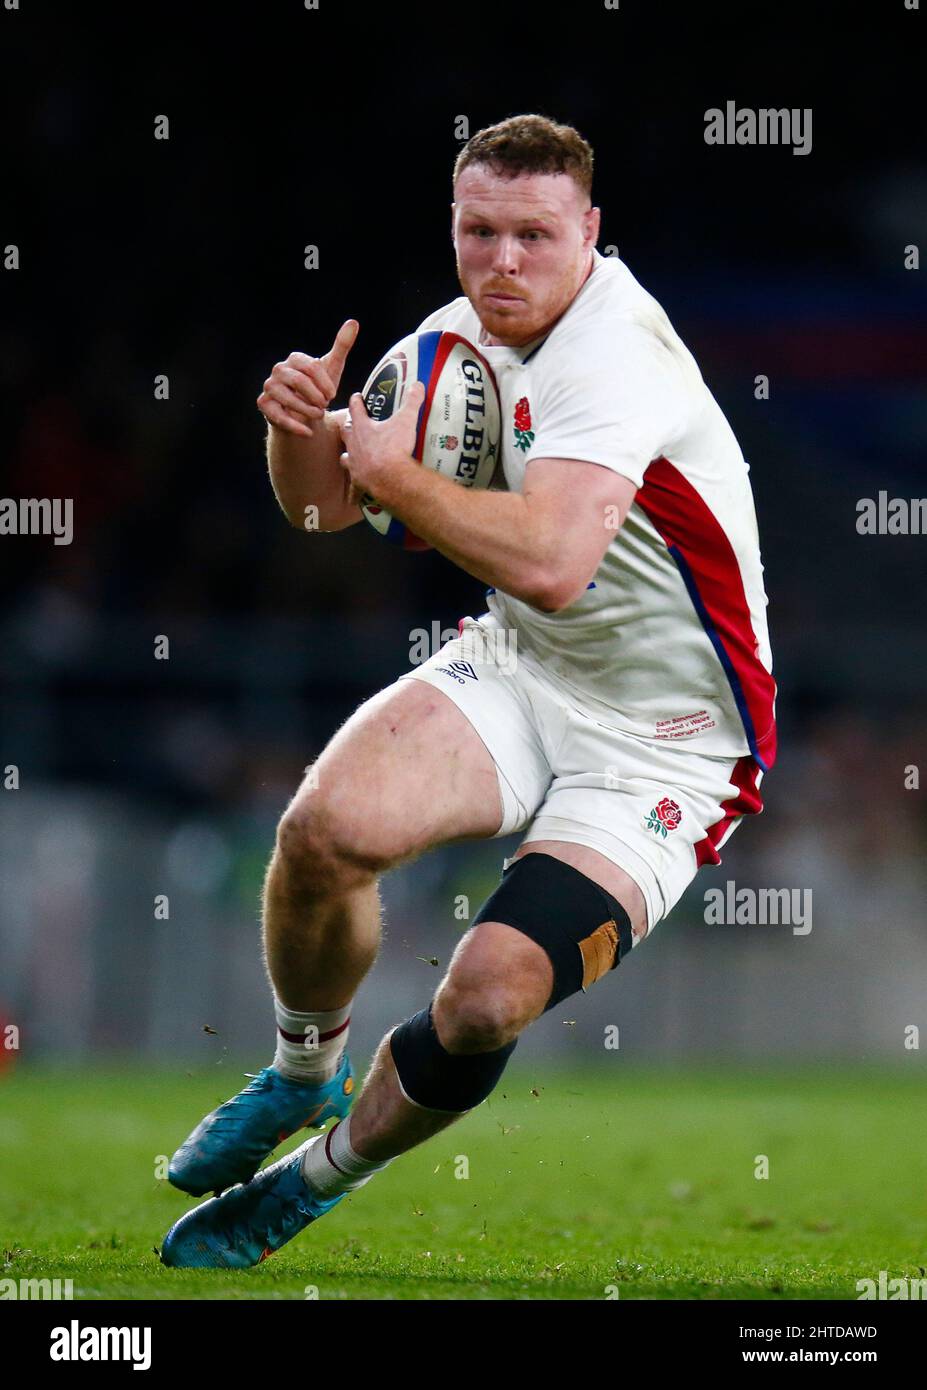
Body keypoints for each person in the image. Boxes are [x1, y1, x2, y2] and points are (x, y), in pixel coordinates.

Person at [160, 114, 776, 1269]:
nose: (503, 263)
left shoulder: (617, 355)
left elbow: (550, 559)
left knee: (485, 999)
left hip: (671, 742)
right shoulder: (455, 341)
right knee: (324, 829)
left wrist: (390, 471)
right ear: (453, 223)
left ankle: (310, 1180)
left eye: (533, 237)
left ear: (589, 232)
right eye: (479, 231)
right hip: (529, 663)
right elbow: (320, 509)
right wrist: (301, 433)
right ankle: (299, 1072)